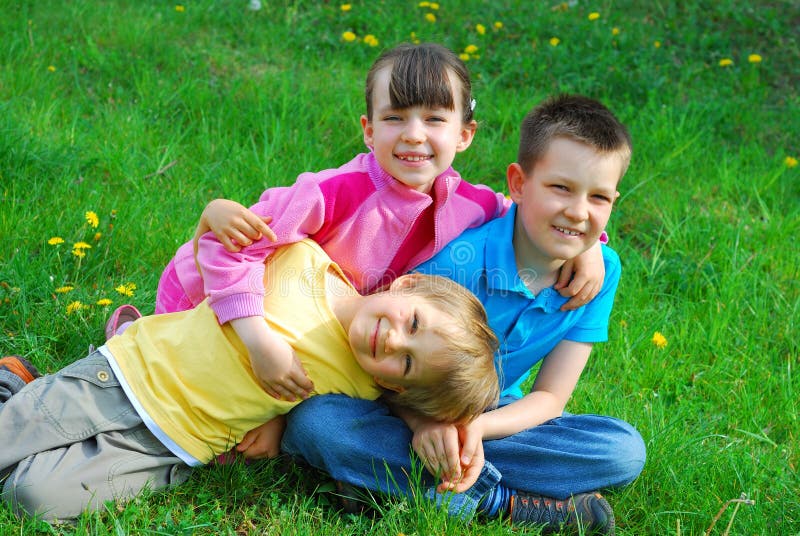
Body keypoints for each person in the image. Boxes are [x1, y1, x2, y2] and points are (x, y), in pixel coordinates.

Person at [107, 42, 607, 404]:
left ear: (465, 135)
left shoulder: (472, 204)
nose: (414, 135)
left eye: (434, 119)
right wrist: (218, 214)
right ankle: (130, 344)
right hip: (224, 302)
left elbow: (531, 208)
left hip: (347, 335)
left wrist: (587, 245)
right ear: (369, 130)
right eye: (395, 118)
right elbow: (237, 247)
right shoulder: (334, 192)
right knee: (181, 380)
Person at [278, 95, 647, 535]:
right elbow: (386, 358)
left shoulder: (600, 275)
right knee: (317, 424)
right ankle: (497, 500)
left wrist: (475, 428)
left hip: (494, 416)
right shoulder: (458, 260)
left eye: (598, 198)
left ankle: (392, 485)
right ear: (519, 183)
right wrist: (423, 422)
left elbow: (550, 399)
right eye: (561, 188)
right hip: (403, 406)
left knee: (621, 450)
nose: (578, 211)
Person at [0, 239, 500, 521]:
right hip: (125, 376)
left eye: (407, 363)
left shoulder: (363, 387)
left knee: (30, 502)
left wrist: (444, 426)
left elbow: (397, 411)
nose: (393, 342)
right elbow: (217, 255)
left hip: (168, 447)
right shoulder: (305, 262)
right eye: (412, 323)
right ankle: (20, 402)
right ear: (405, 284)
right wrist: (257, 338)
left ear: (395, 387)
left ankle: (18, 391)